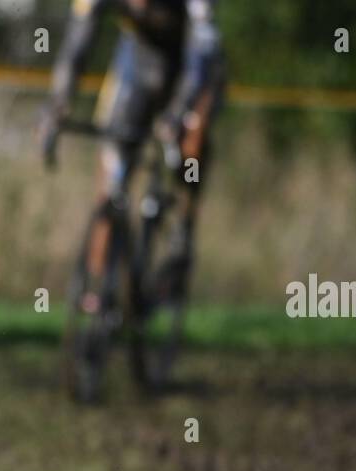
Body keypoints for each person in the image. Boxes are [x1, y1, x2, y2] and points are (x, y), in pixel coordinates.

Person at [38, 0, 225, 306]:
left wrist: (176, 116)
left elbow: (203, 54)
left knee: (190, 145)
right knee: (112, 157)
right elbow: (78, 42)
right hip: (140, 60)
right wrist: (57, 104)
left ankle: (181, 236)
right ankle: (100, 283)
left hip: (194, 64)